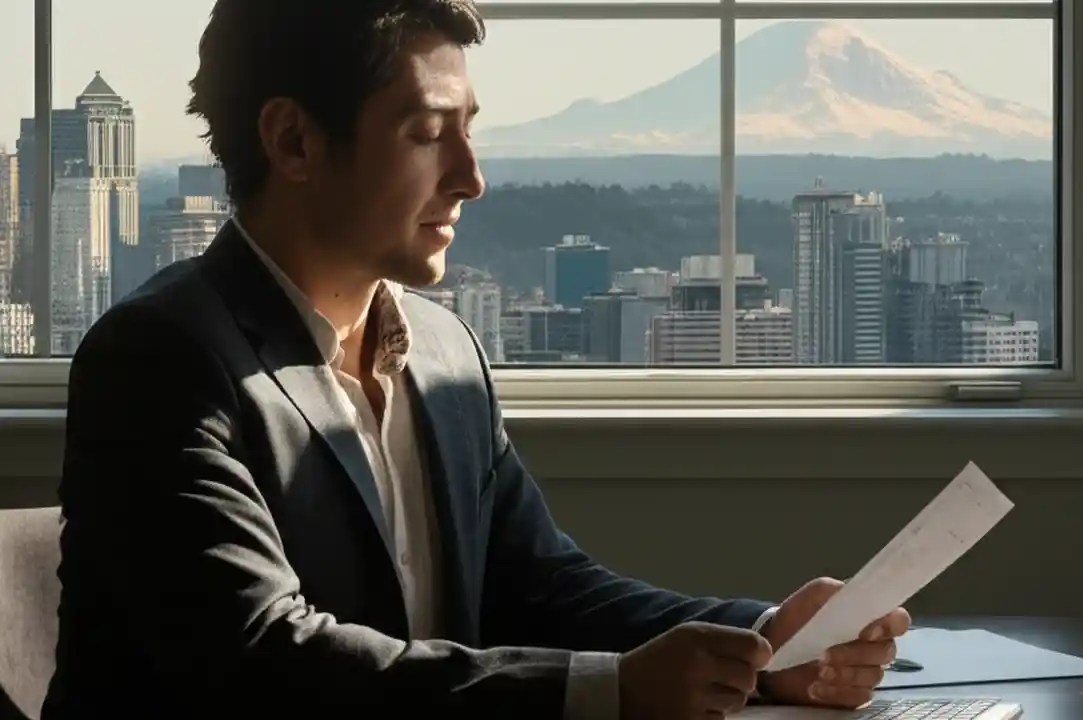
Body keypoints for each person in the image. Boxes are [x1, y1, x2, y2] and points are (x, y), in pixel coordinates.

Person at [42, 0, 909, 718]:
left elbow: (536, 584)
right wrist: (611, 691)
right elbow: (264, 656)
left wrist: (764, 642)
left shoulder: (443, 351)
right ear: (294, 142)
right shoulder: (159, 360)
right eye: (428, 133)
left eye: (470, 131)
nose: (471, 176)